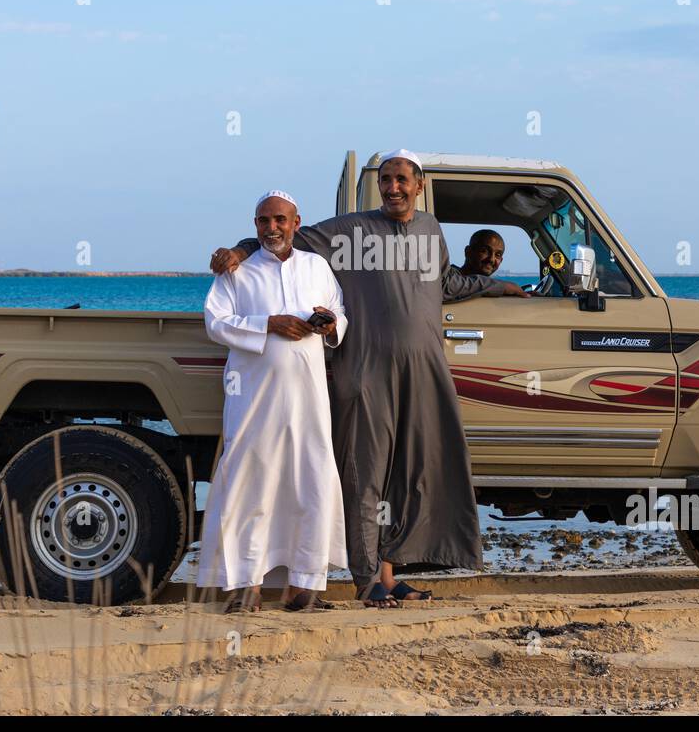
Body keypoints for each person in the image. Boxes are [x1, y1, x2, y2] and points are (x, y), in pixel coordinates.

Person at [210, 150, 527, 608]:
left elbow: (445, 284)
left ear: (419, 185)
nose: (393, 188)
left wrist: (501, 286)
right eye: (386, 180)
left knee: (406, 473)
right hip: (366, 370)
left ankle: (388, 573)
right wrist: (240, 251)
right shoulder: (349, 231)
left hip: (421, 372)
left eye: (401, 180)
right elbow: (281, 235)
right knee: (365, 475)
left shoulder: (430, 230)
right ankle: (364, 580)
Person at [197, 190, 349, 613]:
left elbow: (339, 311)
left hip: (307, 399)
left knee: (310, 479)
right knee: (250, 480)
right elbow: (216, 322)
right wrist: (269, 325)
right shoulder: (238, 270)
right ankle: (245, 586)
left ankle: (305, 586)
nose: (272, 229)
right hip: (252, 399)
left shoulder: (317, 267)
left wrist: (330, 322)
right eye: (264, 221)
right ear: (255, 225)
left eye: (281, 220)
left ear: (296, 223)